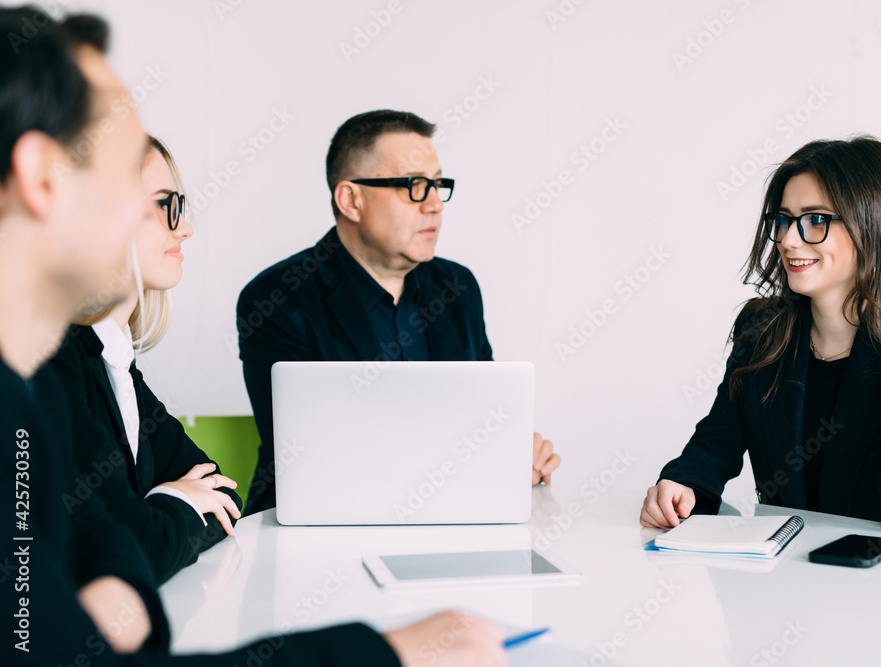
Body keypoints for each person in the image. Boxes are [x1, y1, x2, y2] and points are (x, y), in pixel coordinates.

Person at [0, 6, 504, 665]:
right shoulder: (39, 385)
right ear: (42, 176)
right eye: (132, 177)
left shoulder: (31, 393)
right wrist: (383, 655)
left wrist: (113, 585)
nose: (169, 221)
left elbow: (99, 546)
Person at [640, 136, 881, 538]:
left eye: (816, 220)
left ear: (875, 226)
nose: (788, 240)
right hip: (798, 573)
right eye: (784, 220)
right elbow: (715, 444)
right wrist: (683, 485)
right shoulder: (762, 330)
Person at [237, 109, 560, 514]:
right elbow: (312, 453)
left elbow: (484, 416)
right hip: (320, 523)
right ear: (351, 199)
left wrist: (513, 452)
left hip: (454, 515)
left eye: (438, 185)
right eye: (414, 186)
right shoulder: (277, 297)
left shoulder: (457, 288)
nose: (435, 205)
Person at [46, 136, 243, 584]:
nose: (185, 227)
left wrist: (155, 512)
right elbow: (130, 554)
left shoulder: (116, 361)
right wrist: (170, 503)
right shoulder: (54, 363)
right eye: (163, 204)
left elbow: (224, 496)